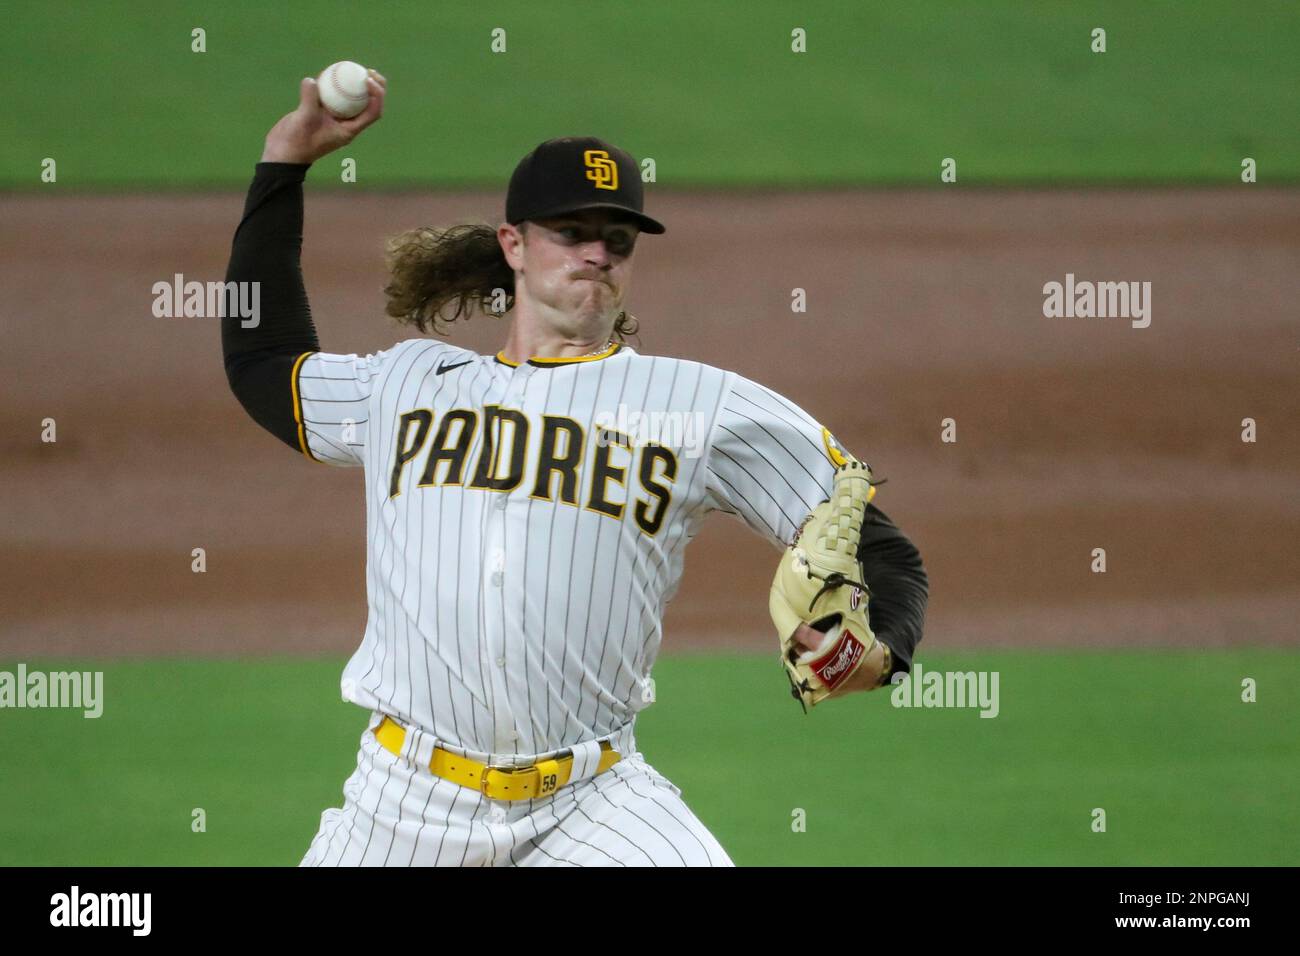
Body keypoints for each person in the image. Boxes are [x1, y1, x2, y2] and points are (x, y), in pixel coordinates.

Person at [222, 71, 929, 867]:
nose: (597, 250)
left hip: (591, 805)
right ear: (513, 245)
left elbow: (876, 538)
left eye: (617, 237)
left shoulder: (696, 405)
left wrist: (883, 650)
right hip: (401, 801)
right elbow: (262, 359)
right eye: (571, 230)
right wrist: (283, 166)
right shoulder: (407, 385)